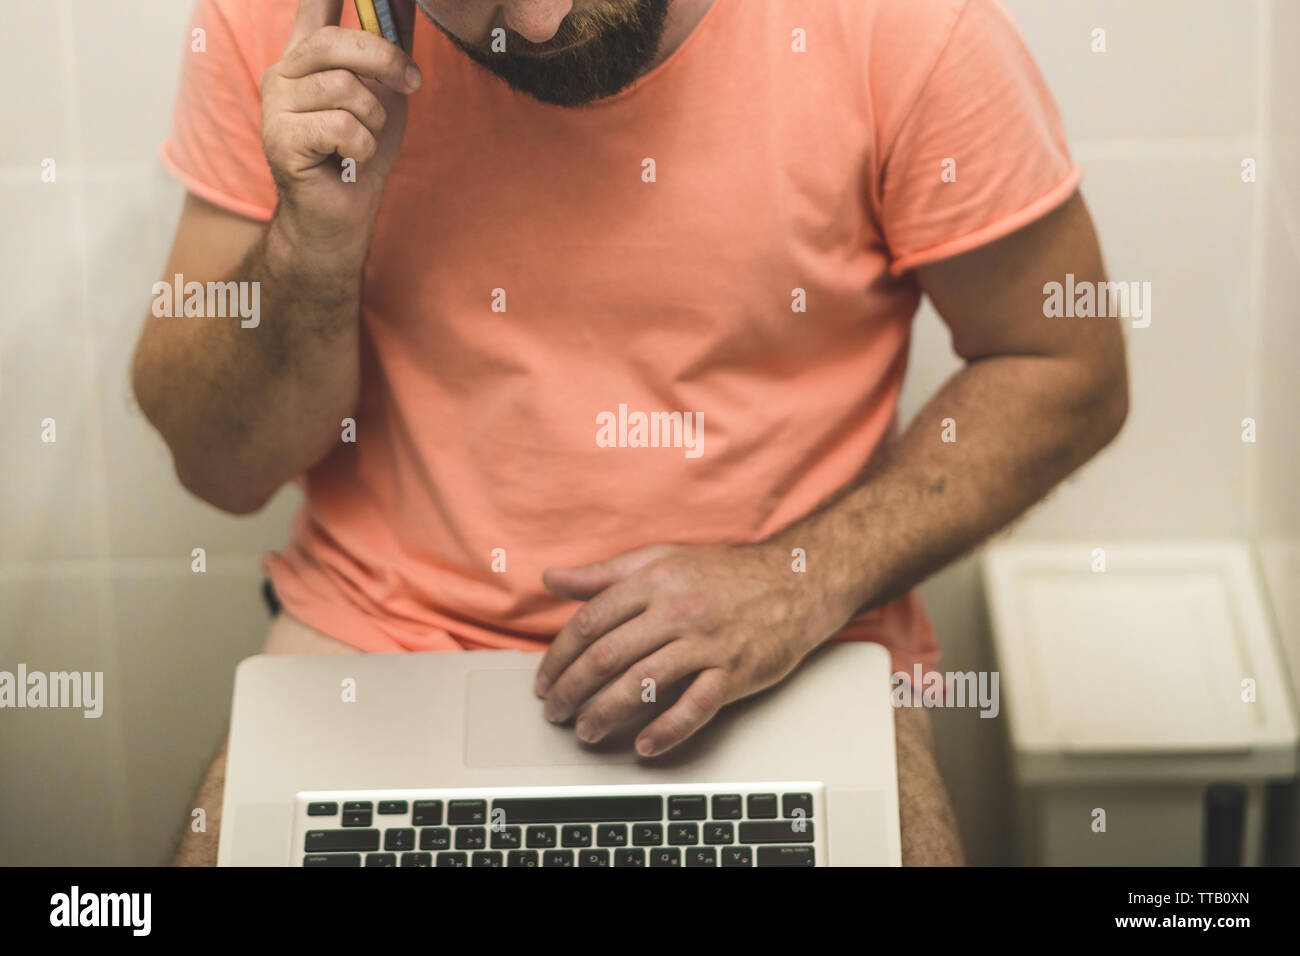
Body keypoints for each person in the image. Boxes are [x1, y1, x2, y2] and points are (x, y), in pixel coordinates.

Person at [132, 0, 1129, 866]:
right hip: (378, 641)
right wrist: (312, 245)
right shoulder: (293, 30)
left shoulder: (900, 25)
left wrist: (799, 576)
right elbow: (222, 465)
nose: (535, 26)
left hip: (795, 654)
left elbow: (1062, 366)